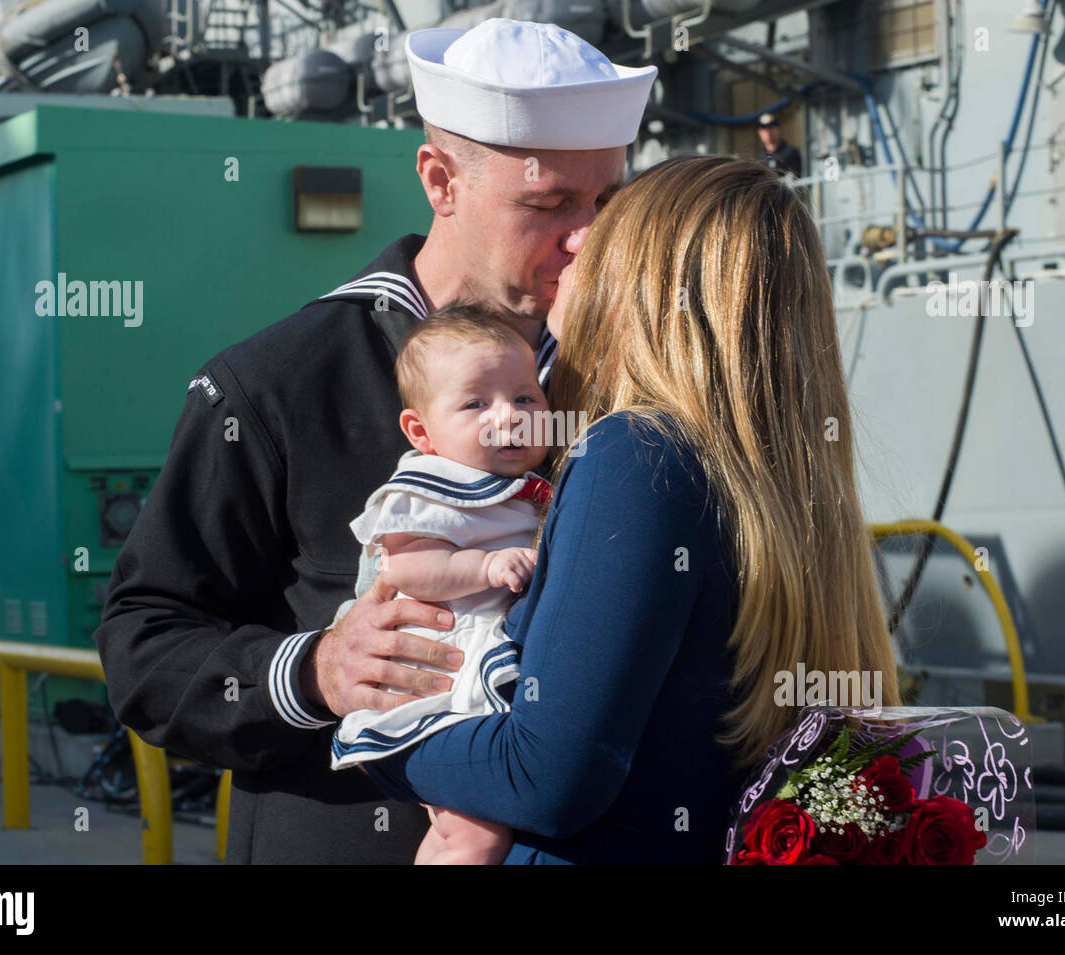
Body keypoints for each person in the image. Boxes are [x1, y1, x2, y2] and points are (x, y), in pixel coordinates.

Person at [91, 18, 656, 864]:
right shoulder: (276, 384)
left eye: (606, 203)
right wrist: (315, 668)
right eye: (548, 203)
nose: (586, 239)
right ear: (440, 179)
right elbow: (142, 641)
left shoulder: (627, 380)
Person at [362, 155, 903, 864]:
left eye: (607, 224)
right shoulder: (780, 482)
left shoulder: (633, 453)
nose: (578, 239)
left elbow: (543, 777)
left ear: (645, 279)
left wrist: (367, 730)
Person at [330, 305, 553, 864]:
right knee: (477, 834)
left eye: (525, 397)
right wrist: (484, 567)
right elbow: (407, 570)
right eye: (476, 403)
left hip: (476, 673)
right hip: (436, 683)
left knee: (469, 829)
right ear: (422, 432)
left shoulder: (520, 486)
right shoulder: (428, 488)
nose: (509, 416)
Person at [757, 112, 803, 177]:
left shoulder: (791, 153)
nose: (768, 132)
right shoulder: (761, 157)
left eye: (771, 127)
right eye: (764, 129)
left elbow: (796, 179)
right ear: (760, 133)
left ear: (779, 129)